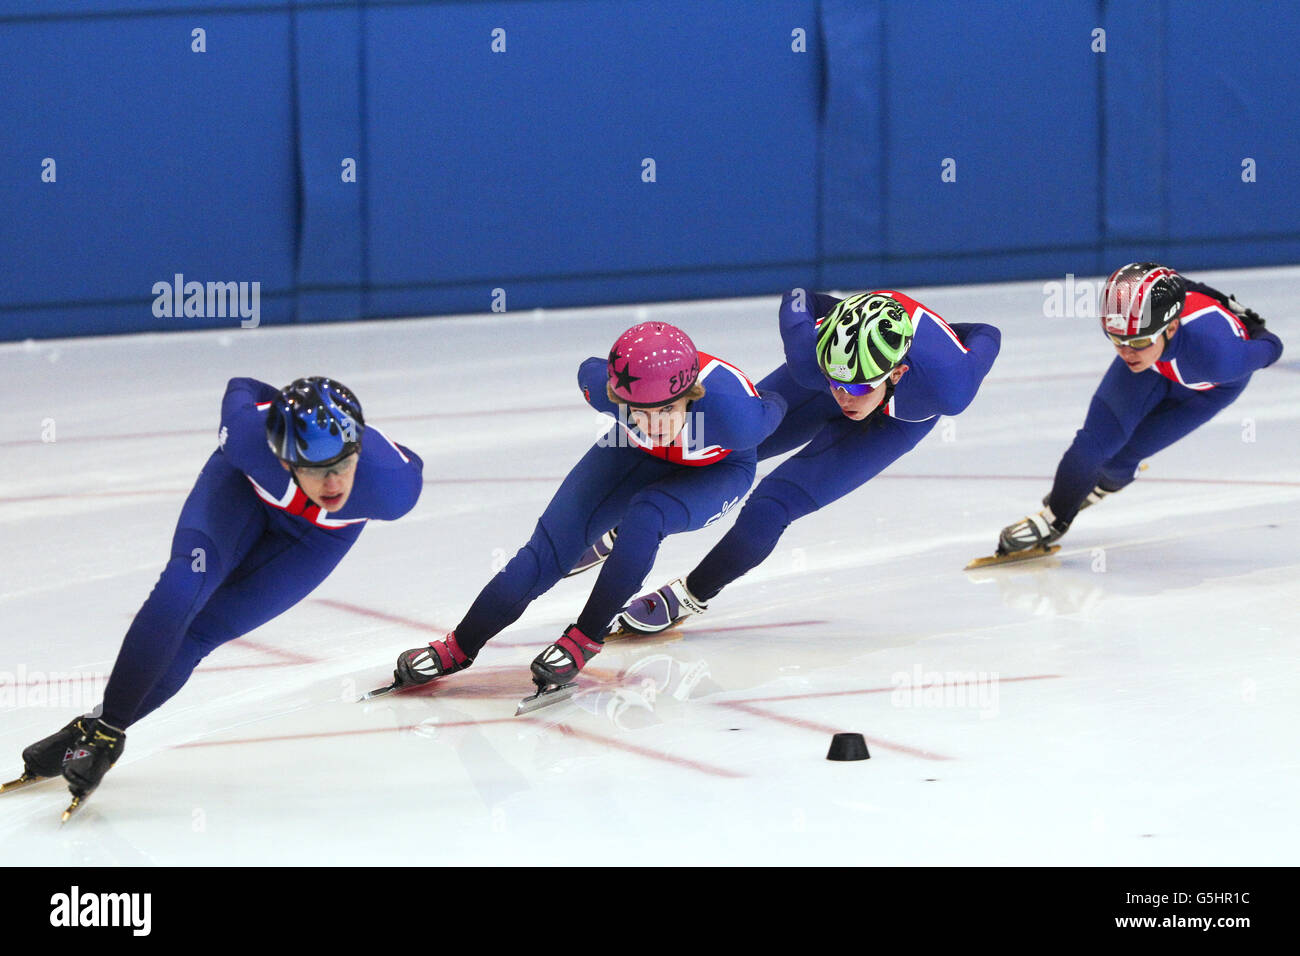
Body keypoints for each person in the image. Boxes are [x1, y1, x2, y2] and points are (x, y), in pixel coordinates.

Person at [6, 377, 424, 815]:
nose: (334, 482)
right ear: (282, 458)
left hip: (317, 538)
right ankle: (107, 734)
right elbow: (242, 385)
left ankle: (94, 731)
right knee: (182, 587)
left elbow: (403, 461)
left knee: (201, 633)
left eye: (343, 463)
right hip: (240, 491)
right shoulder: (247, 436)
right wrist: (288, 407)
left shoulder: (393, 488)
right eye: (316, 468)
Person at [388, 321, 786, 695]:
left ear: (691, 395)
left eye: (666, 410)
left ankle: (586, 636)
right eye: (639, 413)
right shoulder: (602, 388)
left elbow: (778, 401)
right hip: (634, 454)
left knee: (647, 515)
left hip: (718, 468)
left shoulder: (737, 417)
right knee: (546, 550)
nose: (653, 423)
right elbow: (589, 369)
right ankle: (459, 646)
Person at [611, 288, 1001, 633]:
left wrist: (945, 335)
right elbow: (799, 295)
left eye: (858, 387)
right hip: (821, 372)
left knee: (773, 504)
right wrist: (840, 319)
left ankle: (689, 595)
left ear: (898, 373)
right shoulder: (810, 356)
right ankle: (626, 523)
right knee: (728, 444)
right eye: (837, 383)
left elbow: (988, 333)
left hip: (897, 421)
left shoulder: (950, 384)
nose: (844, 397)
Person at [994, 262, 1283, 557]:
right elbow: (1176, 282)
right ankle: (1054, 521)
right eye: (1117, 341)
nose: (1127, 353)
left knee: (1121, 459)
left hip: (1206, 388)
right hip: (1155, 365)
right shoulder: (1140, 325)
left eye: (1138, 342)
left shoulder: (1220, 357)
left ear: (1171, 326)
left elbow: (1274, 347)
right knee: (1092, 445)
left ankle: (1101, 486)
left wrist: (1252, 324)